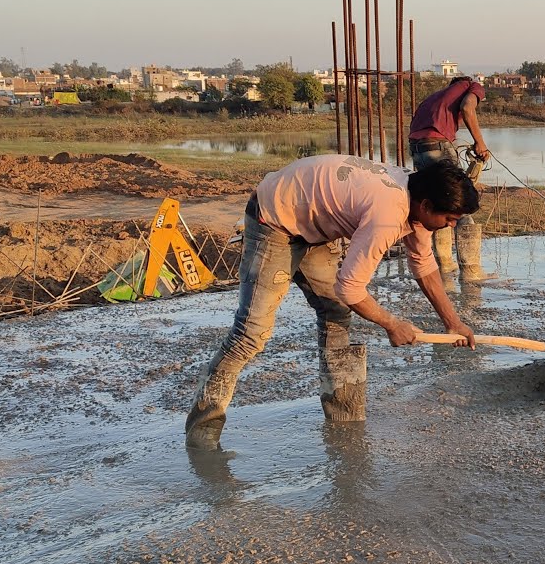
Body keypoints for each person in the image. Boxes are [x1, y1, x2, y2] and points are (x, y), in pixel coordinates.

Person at [185, 154, 480, 450]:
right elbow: (350, 289)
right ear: (427, 206)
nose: (451, 227)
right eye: (449, 220)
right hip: (274, 219)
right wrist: (391, 324)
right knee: (251, 333)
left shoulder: (416, 198)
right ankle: (203, 431)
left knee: (335, 314)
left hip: (314, 224)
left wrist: (452, 322)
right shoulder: (388, 214)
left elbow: (424, 264)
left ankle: (344, 417)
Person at [408, 76, 491, 277]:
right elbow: (467, 109)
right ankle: (471, 271)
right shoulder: (473, 86)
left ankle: (445, 264)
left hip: (417, 148)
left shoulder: (436, 97)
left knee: (439, 204)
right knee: (459, 204)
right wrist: (480, 143)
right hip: (437, 145)